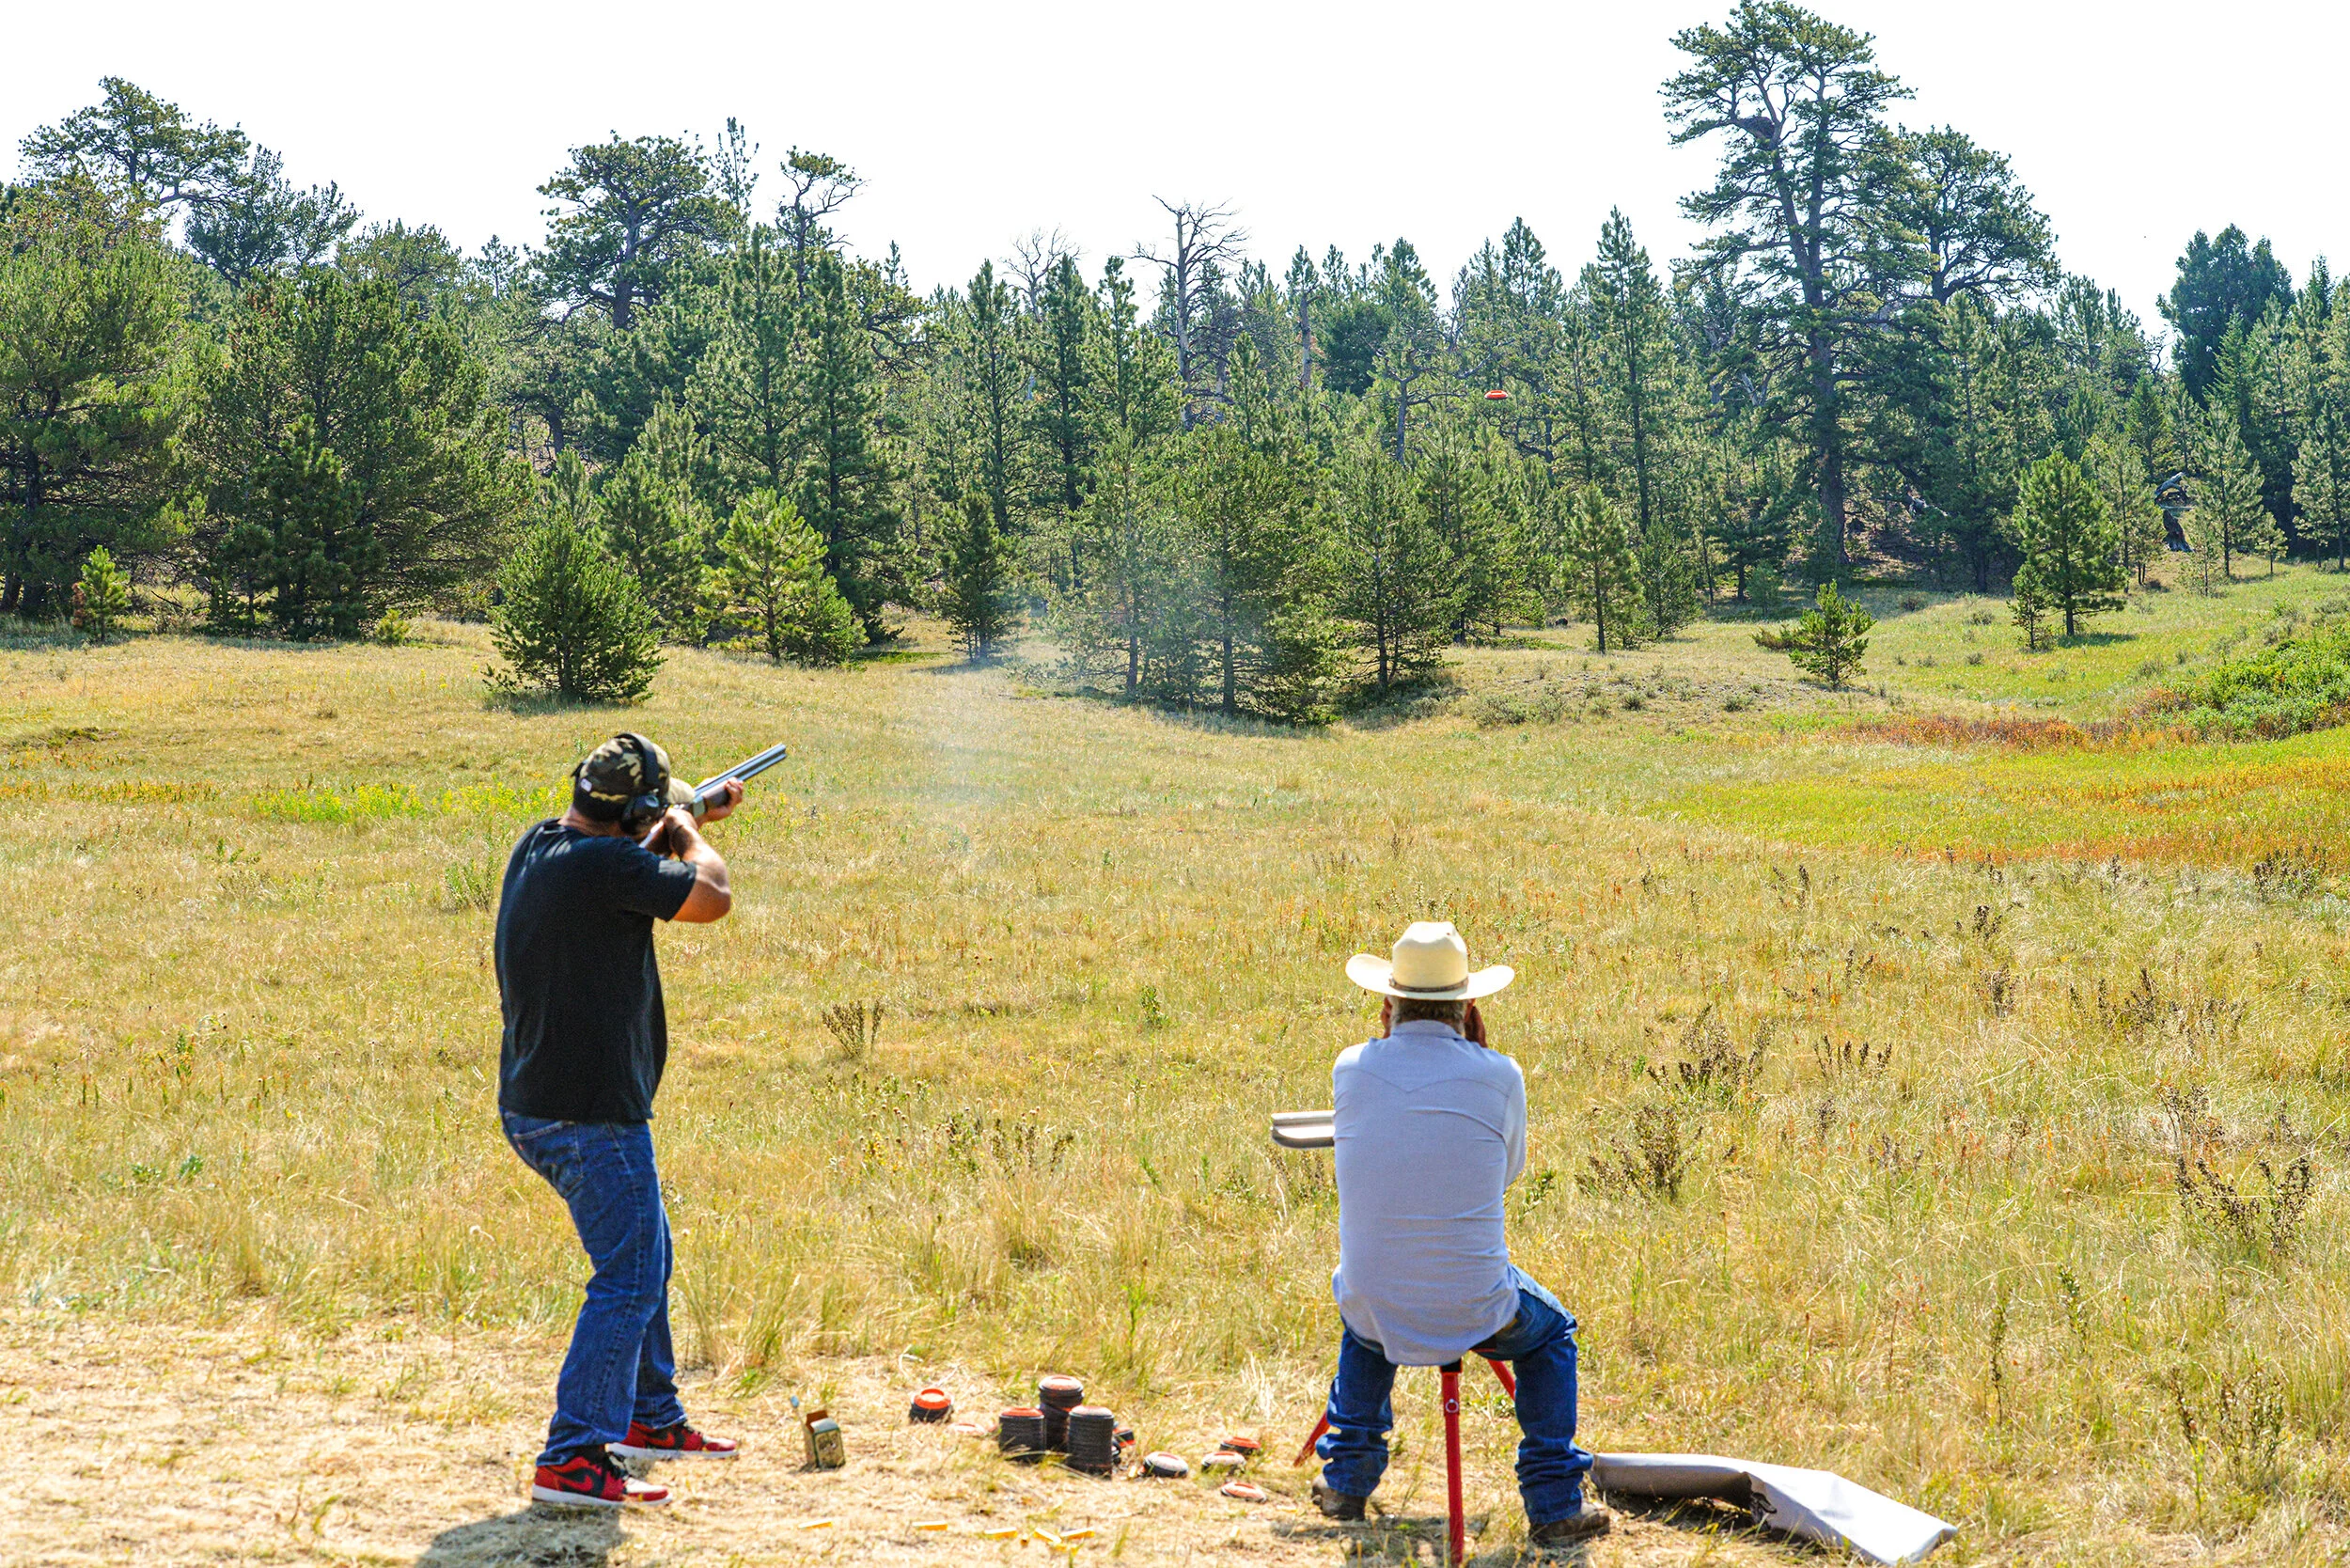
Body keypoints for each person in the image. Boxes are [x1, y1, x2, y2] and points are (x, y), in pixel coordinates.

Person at [496, 733, 748, 1510]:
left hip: (546, 1101)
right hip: (587, 1110)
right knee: (630, 1272)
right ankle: (573, 1457)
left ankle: (649, 1418)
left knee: (650, 1253)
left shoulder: (540, 845)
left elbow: (617, 865)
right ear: (640, 811)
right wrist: (690, 830)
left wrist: (663, 823)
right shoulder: (608, 865)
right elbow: (711, 897)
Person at [1313, 920, 1611, 1547]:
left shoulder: (1350, 1069)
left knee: (1368, 1310)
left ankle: (1345, 1480)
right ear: (1469, 1008)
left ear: (1388, 1004)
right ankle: (1554, 1502)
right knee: (1552, 1332)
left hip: (1374, 1300)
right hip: (1477, 1302)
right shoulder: (1500, 1073)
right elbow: (1506, 1172)